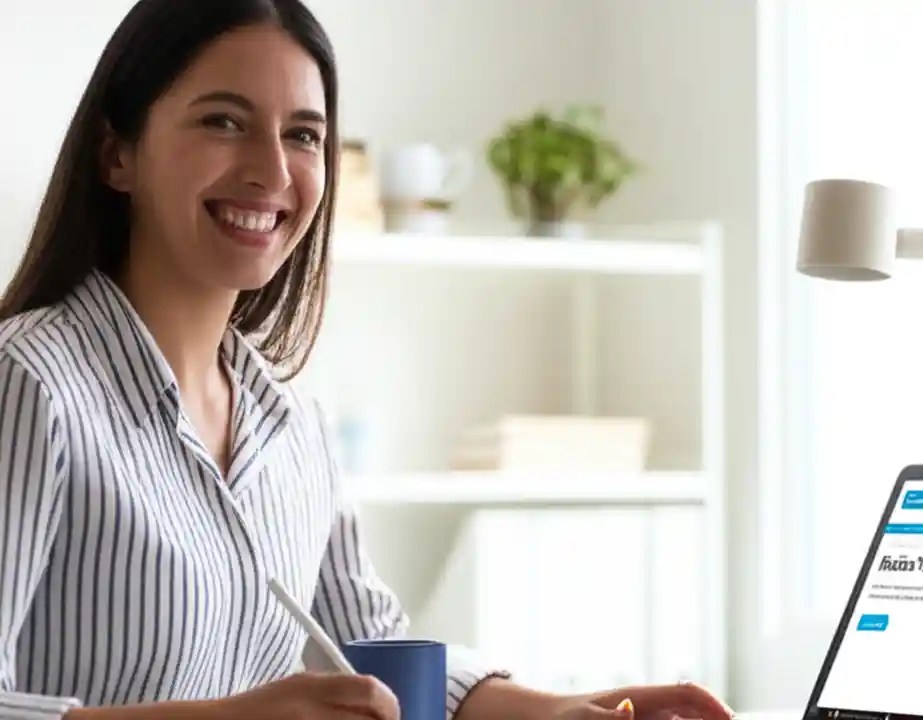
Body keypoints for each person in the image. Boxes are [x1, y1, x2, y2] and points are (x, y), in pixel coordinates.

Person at [0, 2, 734, 720]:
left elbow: (374, 653)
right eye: (223, 121)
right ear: (116, 153)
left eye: (304, 135)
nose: (272, 170)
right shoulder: (28, 383)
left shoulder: (292, 428)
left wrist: (561, 708)